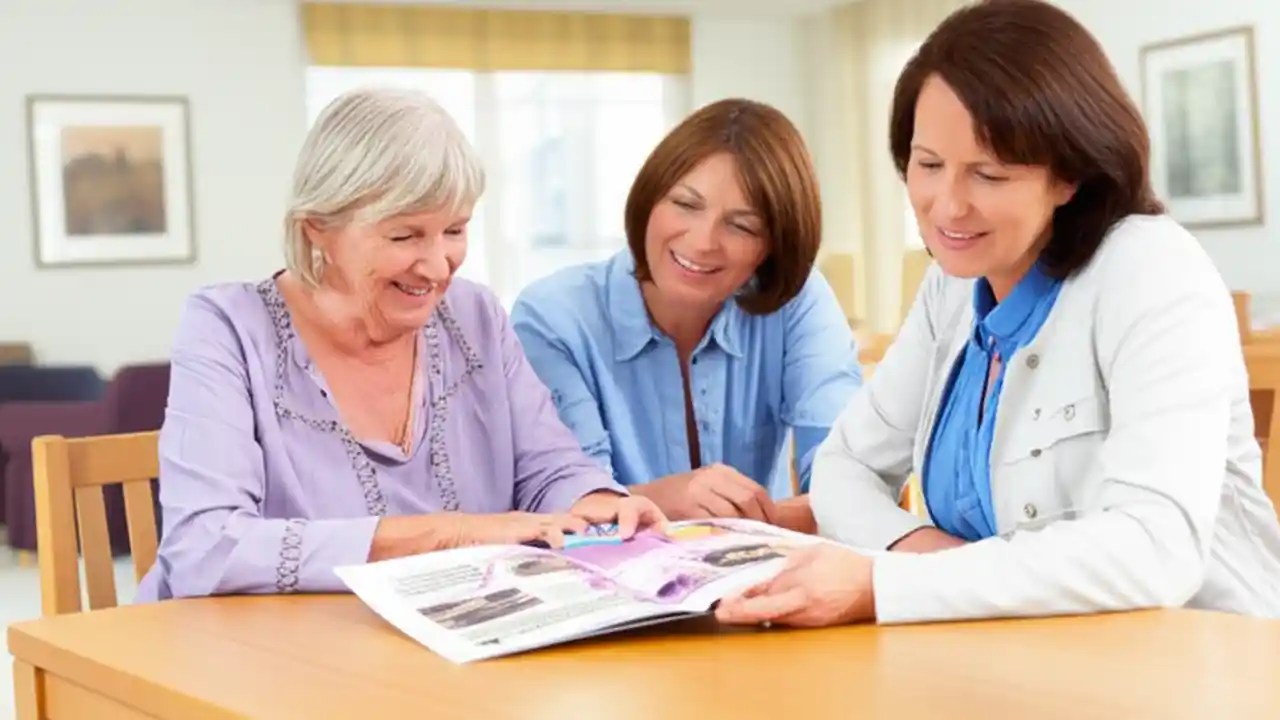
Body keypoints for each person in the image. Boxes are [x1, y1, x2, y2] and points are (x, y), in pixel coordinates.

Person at [715, 0, 1280, 628]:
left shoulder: (1150, 268)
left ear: (1069, 175)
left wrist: (891, 582)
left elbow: (1155, 549)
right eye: (928, 165)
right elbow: (846, 466)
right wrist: (914, 555)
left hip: (1193, 663)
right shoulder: (953, 287)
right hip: (1013, 657)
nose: (947, 206)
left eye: (988, 173)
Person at [136, 87, 662, 601]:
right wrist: (452, 534)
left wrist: (594, 501)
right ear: (318, 227)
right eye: (405, 236)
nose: (437, 268)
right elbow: (203, 551)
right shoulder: (227, 327)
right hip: (255, 659)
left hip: (436, 649)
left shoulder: (475, 316)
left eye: (454, 230)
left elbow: (549, 467)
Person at [510, 99, 863, 535]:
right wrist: (669, 499)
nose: (701, 242)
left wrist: (739, 523)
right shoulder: (552, 318)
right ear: (650, 197)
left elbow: (849, 480)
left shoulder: (797, 301)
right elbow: (570, 502)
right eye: (685, 204)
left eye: (742, 226)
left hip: (761, 577)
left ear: (773, 246)